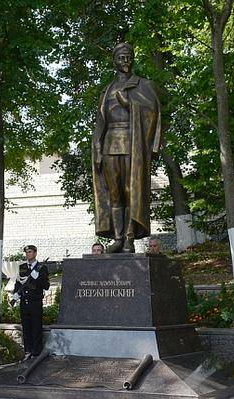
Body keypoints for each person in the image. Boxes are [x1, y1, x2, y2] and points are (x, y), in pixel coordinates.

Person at [92, 42, 162, 253]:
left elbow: (153, 113)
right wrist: (97, 149)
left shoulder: (143, 85)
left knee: (131, 191)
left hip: (132, 144)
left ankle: (130, 238)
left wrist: (129, 104)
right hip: (110, 144)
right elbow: (99, 123)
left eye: (129, 57)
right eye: (121, 57)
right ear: (114, 61)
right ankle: (118, 237)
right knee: (115, 194)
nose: (126, 61)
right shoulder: (107, 89)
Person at [12, 245, 49, 360]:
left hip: (35, 301)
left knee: (36, 327)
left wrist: (37, 278)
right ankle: (28, 351)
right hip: (24, 301)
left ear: (35, 253)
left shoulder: (42, 268)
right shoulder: (22, 267)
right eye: (27, 252)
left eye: (30, 252)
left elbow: (46, 286)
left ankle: (36, 352)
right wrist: (15, 294)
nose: (28, 254)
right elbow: (19, 283)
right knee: (26, 327)